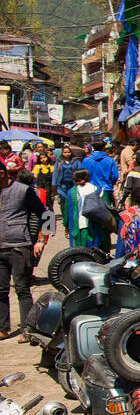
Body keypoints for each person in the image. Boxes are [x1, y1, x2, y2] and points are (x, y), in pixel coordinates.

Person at [0, 164, 50, 341]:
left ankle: (27, 330)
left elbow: (45, 213)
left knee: (22, 288)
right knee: (1, 289)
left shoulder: (23, 190)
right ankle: (3, 328)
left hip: (19, 246)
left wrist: (40, 240)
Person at [67, 169, 110, 251]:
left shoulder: (72, 192)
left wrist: (67, 226)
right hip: (96, 226)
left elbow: (68, 212)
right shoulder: (98, 189)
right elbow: (107, 207)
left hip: (80, 226)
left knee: (81, 252)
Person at [81, 140, 119, 205]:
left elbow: (82, 174)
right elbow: (115, 176)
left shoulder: (86, 160)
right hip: (106, 190)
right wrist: (110, 183)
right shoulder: (110, 160)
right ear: (104, 148)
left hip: (90, 190)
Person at [53, 146, 81, 230]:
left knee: (73, 202)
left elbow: (80, 171)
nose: (67, 154)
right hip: (62, 186)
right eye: (65, 152)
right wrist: (54, 185)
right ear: (62, 153)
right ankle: (66, 220)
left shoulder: (76, 161)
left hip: (73, 185)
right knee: (63, 204)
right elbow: (55, 174)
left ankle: (73, 219)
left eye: (68, 152)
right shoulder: (59, 162)